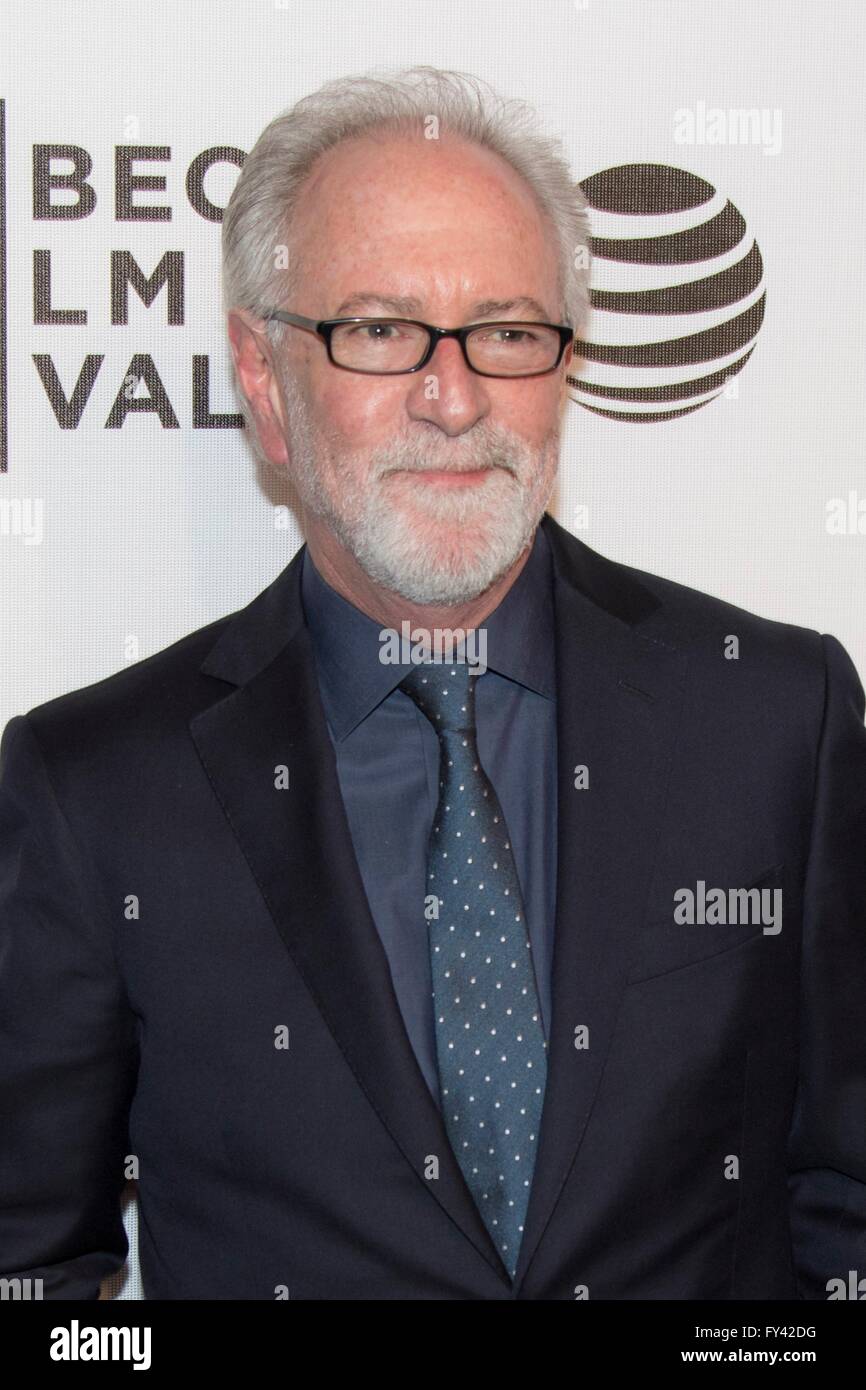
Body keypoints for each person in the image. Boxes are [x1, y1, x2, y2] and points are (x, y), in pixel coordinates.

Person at [1, 66, 864, 1301]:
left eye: (506, 330)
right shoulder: (96, 790)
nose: (452, 397)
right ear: (264, 377)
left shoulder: (776, 716)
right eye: (379, 329)